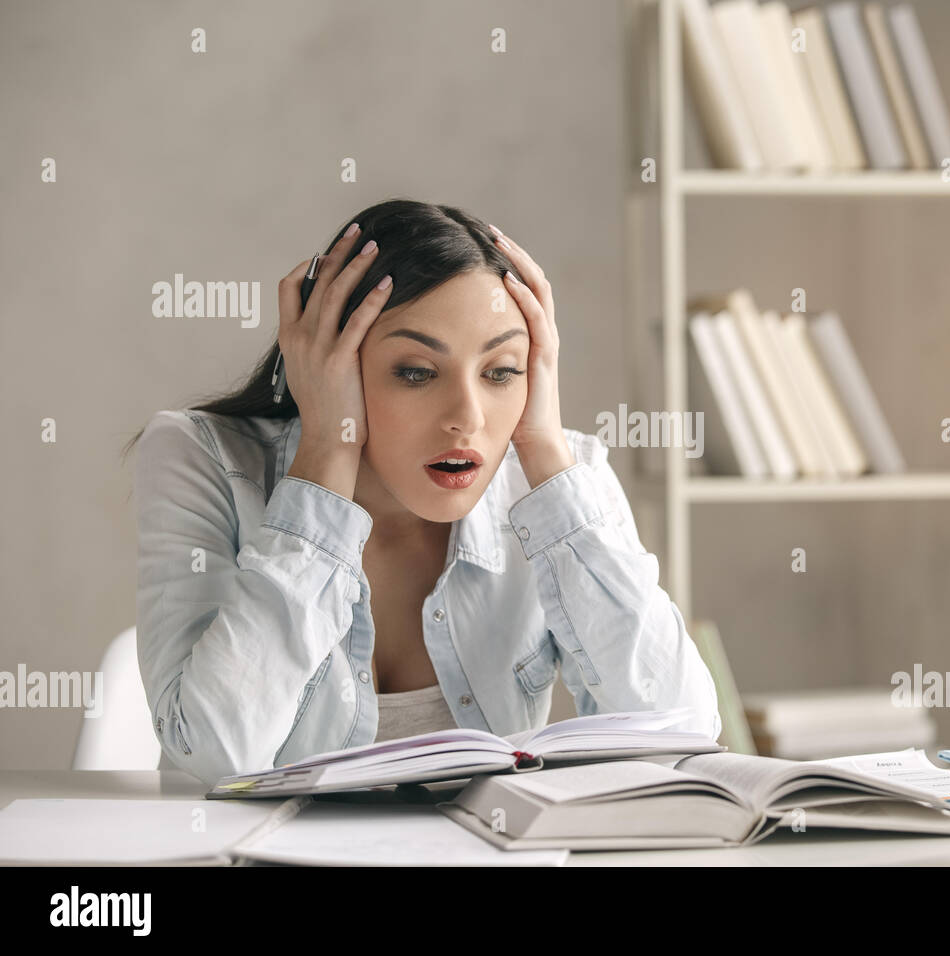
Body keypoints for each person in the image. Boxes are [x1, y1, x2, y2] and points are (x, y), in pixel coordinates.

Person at [125, 199, 720, 787]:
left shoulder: (561, 477)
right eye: (416, 372)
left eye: (501, 371)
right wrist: (328, 450)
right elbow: (211, 756)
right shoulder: (198, 457)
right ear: (324, 364)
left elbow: (681, 739)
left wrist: (542, 449)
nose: (467, 417)